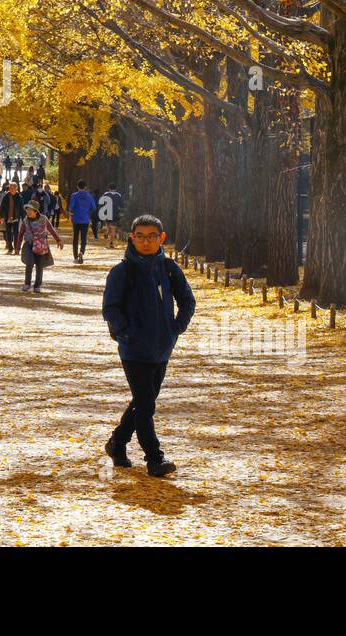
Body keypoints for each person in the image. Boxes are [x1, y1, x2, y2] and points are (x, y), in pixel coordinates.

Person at [101, 215, 195, 478]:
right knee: (145, 405)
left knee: (144, 401)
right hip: (133, 350)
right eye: (140, 236)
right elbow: (110, 308)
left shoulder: (168, 268)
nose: (145, 241)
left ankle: (117, 443)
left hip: (162, 347)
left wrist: (176, 329)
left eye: (151, 236)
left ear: (161, 238)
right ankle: (154, 458)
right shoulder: (122, 271)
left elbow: (188, 300)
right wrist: (124, 333)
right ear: (132, 237)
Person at [17, 200, 63, 292]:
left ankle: (37, 286)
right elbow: (21, 233)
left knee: (39, 265)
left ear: (35, 211)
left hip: (41, 245)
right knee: (29, 263)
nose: (28, 212)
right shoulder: (26, 220)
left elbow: (51, 229)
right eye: (27, 209)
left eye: (30, 210)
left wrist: (58, 240)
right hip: (29, 244)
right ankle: (27, 284)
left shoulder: (43, 219)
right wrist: (17, 247)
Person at [68, 179, 97, 263]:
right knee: (84, 238)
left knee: (75, 238)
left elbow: (70, 207)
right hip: (85, 219)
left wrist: (72, 212)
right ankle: (81, 252)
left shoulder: (74, 195)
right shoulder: (89, 196)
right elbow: (94, 207)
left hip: (76, 219)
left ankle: (75, 257)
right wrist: (87, 212)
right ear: (85, 187)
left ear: (77, 187)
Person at [0, 182, 24, 254]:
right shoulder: (6, 197)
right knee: (8, 234)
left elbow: (22, 208)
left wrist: (23, 217)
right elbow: (2, 207)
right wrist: (2, 217)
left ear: (16, 189)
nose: (12, 190)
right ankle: (10, 248)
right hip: (7, 217)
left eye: (13, 188)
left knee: (16, 234)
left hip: (16, 217)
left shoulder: (19, 197)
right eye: (10, 188)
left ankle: (16, 248)